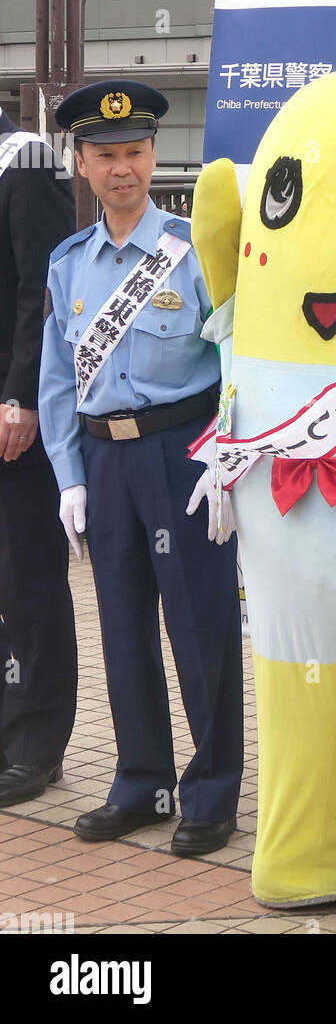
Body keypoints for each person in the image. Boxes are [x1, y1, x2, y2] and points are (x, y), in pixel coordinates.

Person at [38, 80, 243, 855]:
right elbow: (58, 379)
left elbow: (235, 357)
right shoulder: (70, 264)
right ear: (81, 163)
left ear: (153, 155)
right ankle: (142, 784)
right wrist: (70, 477)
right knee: (121, 628)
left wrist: (225, 451)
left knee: (203, 629)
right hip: (103, 458)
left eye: (135, 152)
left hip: (181, 451)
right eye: (105, 155)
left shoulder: (192, 252)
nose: (122, 168)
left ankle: (212, 792)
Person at [0, 106, 78, 806]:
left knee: (27, 580)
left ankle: (36, 744)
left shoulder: (24, 158)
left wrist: (22, 395)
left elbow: (44, 290)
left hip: (10, 416)